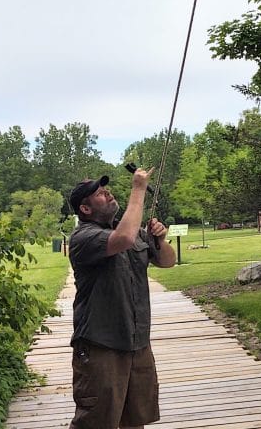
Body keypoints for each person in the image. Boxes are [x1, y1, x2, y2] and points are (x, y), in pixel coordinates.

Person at [67, 168, 177, 429]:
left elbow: (167, 261)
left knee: (135, 420)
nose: (107, 192)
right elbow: (123, 239)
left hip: (137, 343)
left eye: (106, 189)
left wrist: (160, 239)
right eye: (99, 193)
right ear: (85, 209)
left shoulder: (132, 231)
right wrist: (138, 190)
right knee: (95, 423)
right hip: (100, 346)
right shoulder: (83, 238)